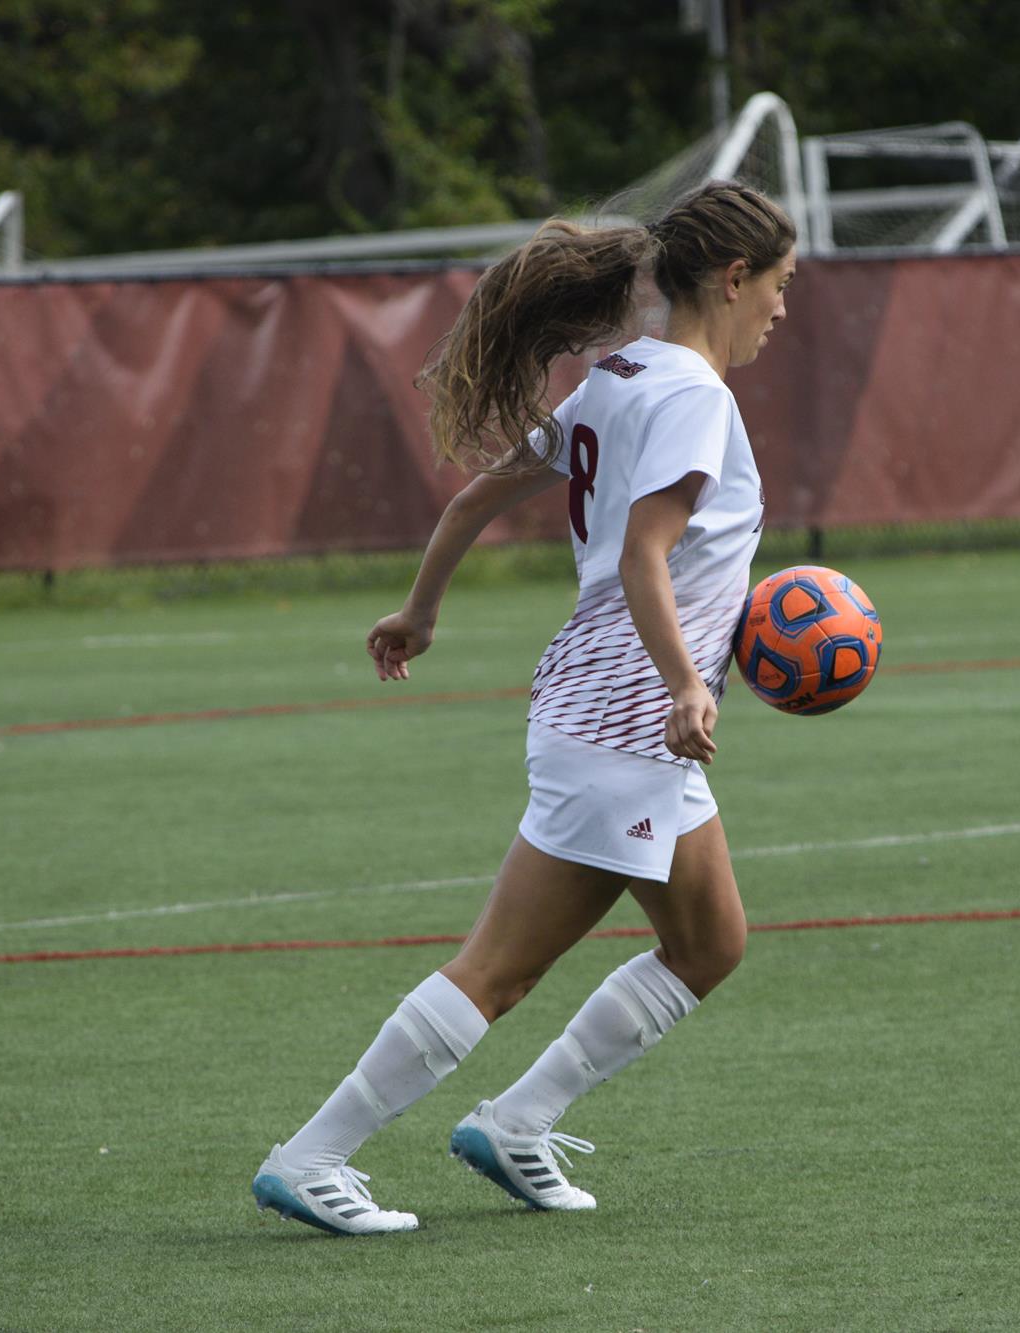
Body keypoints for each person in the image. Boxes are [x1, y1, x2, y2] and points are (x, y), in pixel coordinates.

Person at [250, 182, 797, 1236]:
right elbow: (643, 554)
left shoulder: (617, 376)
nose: (781, 307)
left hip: (616, 720)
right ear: (733, 278)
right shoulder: (691, 394)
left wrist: (420, 609)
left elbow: (471, 499)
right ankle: (312, 1156)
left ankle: (517, 1121)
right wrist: (689, 682)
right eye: (778, 286)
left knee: (708, 943)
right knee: (498, 969)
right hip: (623, 723)